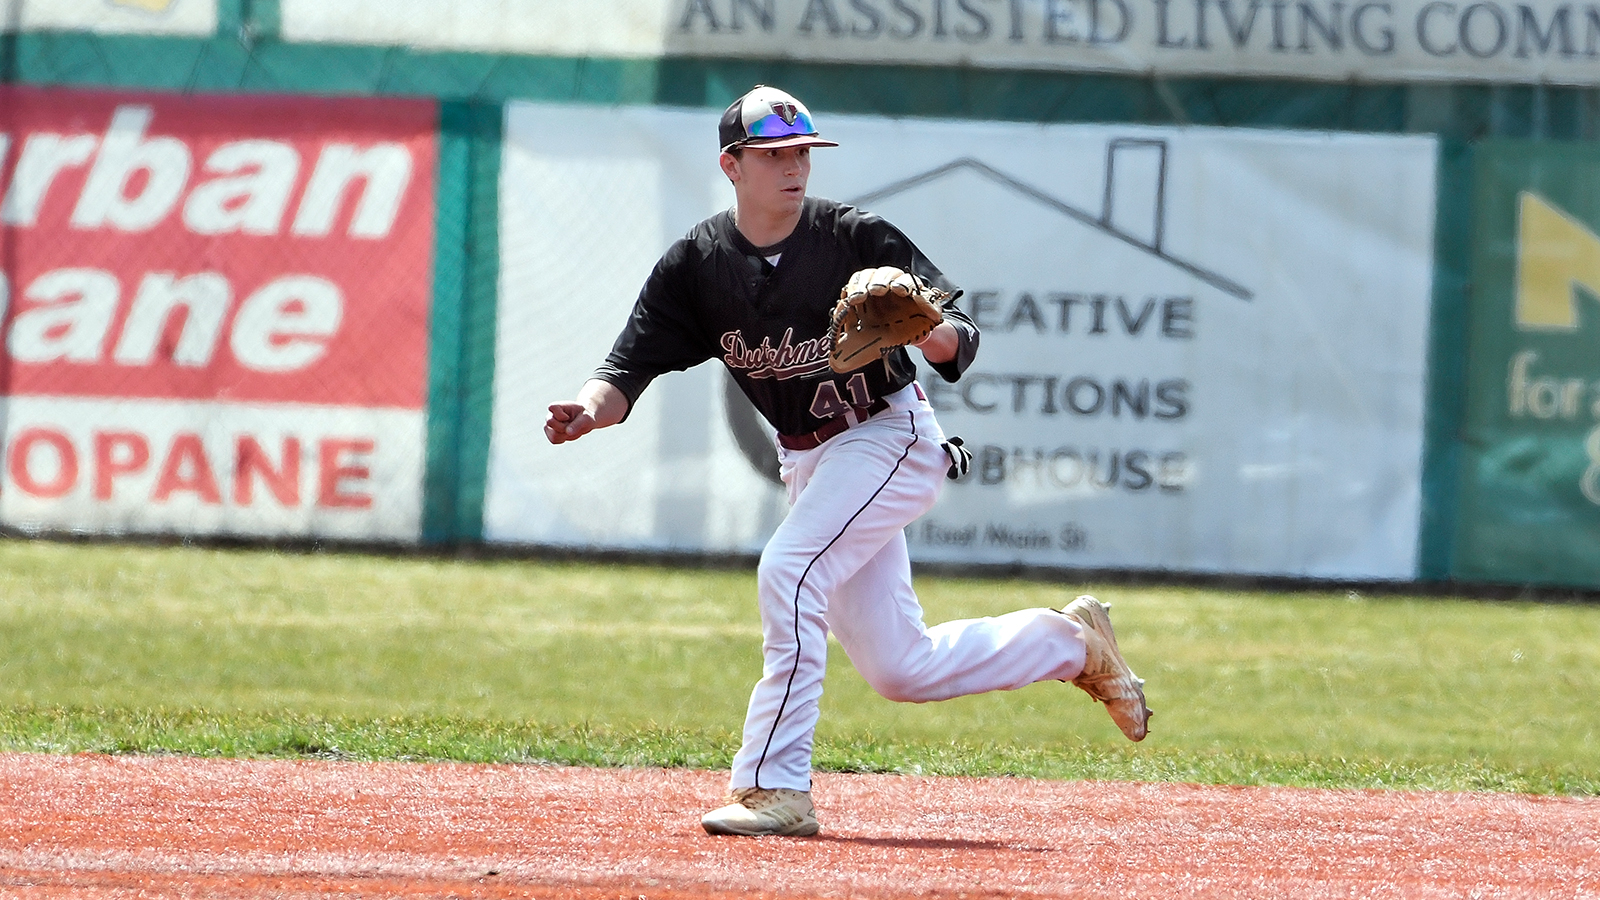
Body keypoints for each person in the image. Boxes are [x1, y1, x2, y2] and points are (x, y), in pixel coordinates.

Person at [544, 85, 1151, 838]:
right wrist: (587, 410)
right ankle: (1070, 643)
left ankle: (775, 787)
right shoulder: (699, 265)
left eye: (802, 152)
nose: (794, 167)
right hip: (810, 463)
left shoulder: (853, 237)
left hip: (887, 437)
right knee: (901, 668)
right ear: (732, 166)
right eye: (774, 155)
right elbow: (626, 368)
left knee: (789, 570)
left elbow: (961, 339)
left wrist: (924, 330)